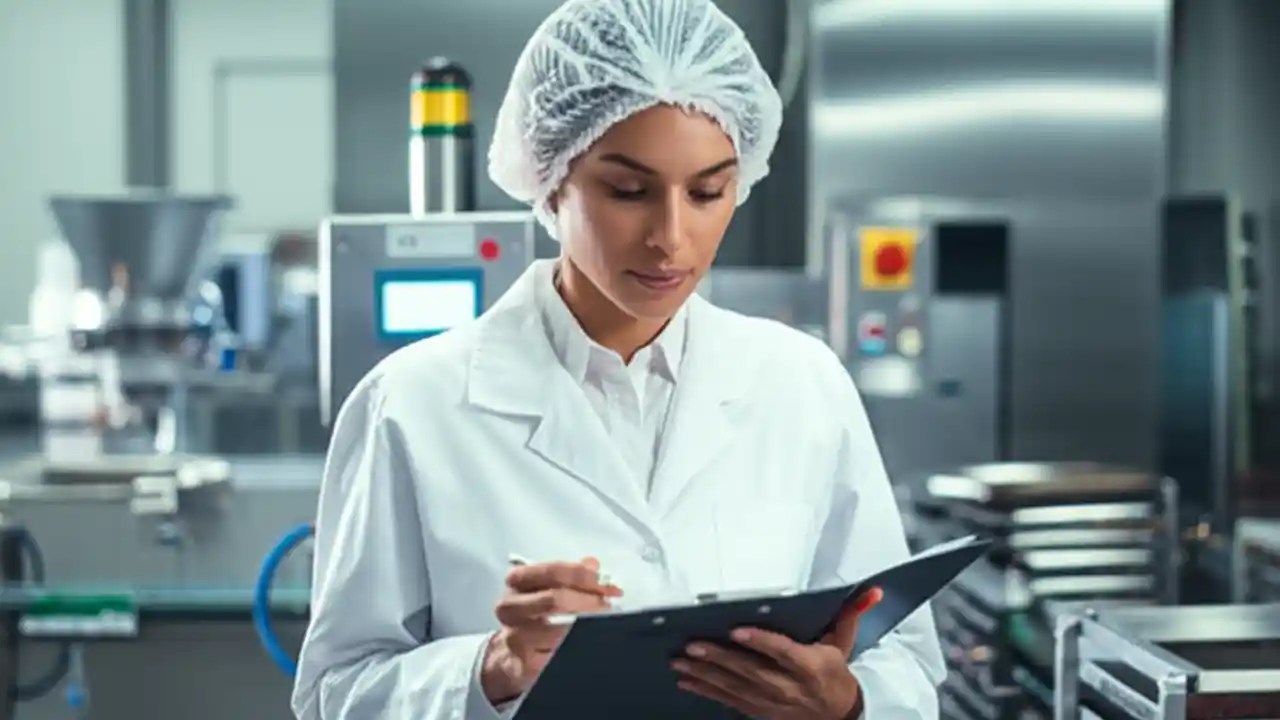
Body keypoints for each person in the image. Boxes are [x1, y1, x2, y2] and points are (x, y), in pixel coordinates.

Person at [291, 0, 945, 717]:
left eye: (708, 191)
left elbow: (905, 661)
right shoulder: (413, 403)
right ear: (552, 179)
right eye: (628, 190)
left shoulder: (800, 383)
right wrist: (494, 667)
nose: (672, 236)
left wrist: (848, 704)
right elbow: (335, 692)